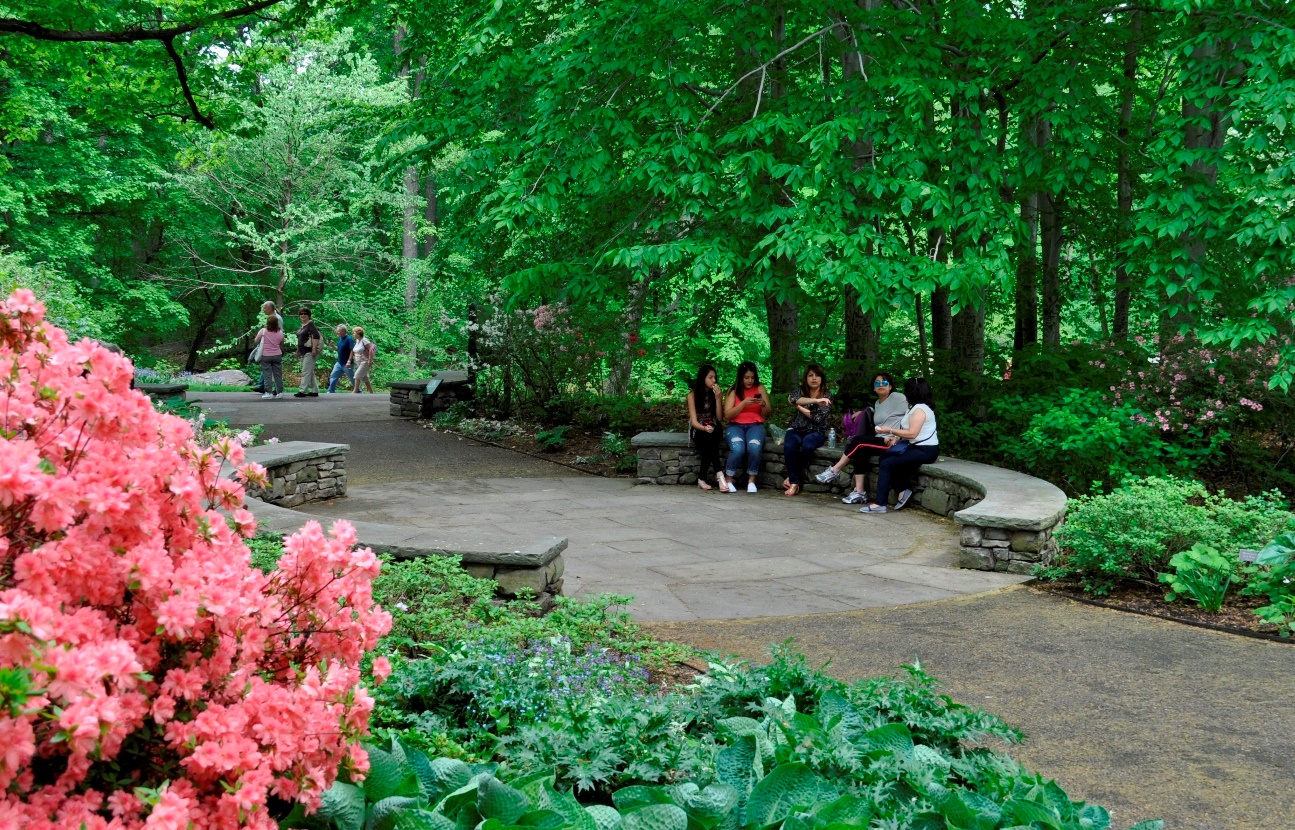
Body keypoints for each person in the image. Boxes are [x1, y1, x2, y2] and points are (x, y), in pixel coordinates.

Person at [814, 371, 908, 504]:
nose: (881, 385)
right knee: (860, 451)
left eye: (884, 382)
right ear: (874, 387)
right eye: (877, 383)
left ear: (890, 386)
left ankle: (835, 470)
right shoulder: (877, 403)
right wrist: (863, 412)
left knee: (858, 440)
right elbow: (878, 414)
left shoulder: (898, 398)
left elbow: (912, 412)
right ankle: (859, 492)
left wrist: (899, 436)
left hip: (892, 441)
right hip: (880, 439)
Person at [860, 377, 939, 514]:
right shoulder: (913, 407)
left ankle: (880, 503)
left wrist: (889, 430)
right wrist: (896, 438)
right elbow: (906, 430)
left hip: (926, 450)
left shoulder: (920, 409)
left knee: (888, 463)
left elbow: (913, 433)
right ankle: (903, 490)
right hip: (914, 447)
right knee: (885, 457)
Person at [782, 364, 832, 496]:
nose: (814, 378)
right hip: (797, 428)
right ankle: (795, 483)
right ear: (806, 378)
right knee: (789, 446)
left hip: (816, 431)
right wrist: (816, 401)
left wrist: (799, 407)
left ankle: (792, 479)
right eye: (810, 375)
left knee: (807, 446)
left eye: (817, 375)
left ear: (822, 378)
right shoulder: (800, 390)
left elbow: (816, 418)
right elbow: (793, 398)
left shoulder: (827, 395)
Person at [722, 361, 771, 493]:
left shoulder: (760, 388)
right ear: (741, 377)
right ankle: (728, 479)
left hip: (755, 425)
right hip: (735, 426)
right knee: (738, 448)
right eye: (746, 378)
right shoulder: (733, 391)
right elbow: (727, 414)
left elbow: (768, 413)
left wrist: (763, 404)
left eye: (752, 377)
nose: (750, 381)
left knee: (754, 447)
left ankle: (751, 480)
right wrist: (743, 404)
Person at [687, 364, 727, 492]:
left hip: (714, 426)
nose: (714, 380)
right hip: (699, 428)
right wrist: (704, 428)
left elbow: (720, 417)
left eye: (715, 377)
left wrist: (718, 398)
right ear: (702, 378)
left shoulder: (714, 393)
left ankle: (702, 479)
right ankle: (719, 475)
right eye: (710, 377)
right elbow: (694, 422)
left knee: (712, 437)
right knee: (710, 440)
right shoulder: (692, 395)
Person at [252, 301, 284, 393]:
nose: (263, 310)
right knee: (267, 369)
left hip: (271, 349)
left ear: (270, 308)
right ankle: (262, 386)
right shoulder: (271, 317)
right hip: (271, 350)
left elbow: (279, 332)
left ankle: (272, 389)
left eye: (265, 308)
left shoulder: (277, 318)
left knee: (273, 371)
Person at [293, 307, 323, 397]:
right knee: (310, 371)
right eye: (301, 314)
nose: (302, 315)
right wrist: (298, 351)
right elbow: (301, 340)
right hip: (303, 351)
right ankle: (315, 390)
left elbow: (316, 336)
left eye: (305, 314)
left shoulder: (310, 324)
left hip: (309, 351)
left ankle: (302, 391)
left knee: (306, 371)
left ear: (309, 315)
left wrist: (314, 349)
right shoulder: (303, 326)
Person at [327, 324, 356, 393]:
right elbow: (338, 349)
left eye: (338, 331)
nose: (337, 332)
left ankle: (358, 391)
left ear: (343, 331)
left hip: (347, 363)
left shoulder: (349, 339)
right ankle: (331, 391)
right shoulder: (340, 339)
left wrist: (349, 361)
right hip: (339, 363)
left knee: (352, 378)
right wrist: (333, 346)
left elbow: (352, 350)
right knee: (333, 375)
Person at [352, 326, 376, 394]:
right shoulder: (357, 340)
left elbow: (370, 349)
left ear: (358, 333)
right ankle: (371, 392)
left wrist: (370, 360)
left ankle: (355, 391)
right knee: (364, 377)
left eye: (354, 333)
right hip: (359, 361)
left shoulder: (364, 340)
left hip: (365, 361)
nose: (353, 334)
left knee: (357, 375)